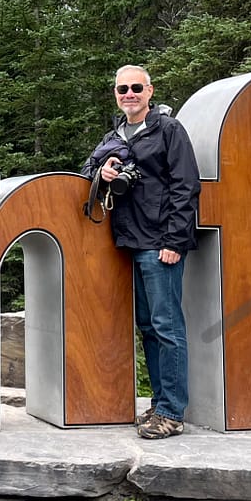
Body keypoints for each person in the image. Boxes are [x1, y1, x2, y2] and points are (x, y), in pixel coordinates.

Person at [82, 65, 201, 440]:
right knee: (149, 327)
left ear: (149, 91)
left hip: (160, 243)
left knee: (168, 327)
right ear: (115, 94)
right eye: (122, 89)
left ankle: (172, 412)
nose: (129, 94)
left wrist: (174, 241)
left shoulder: (168, 130)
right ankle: (159, 402)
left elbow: (186, 186)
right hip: (128, 242)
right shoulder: (113, 136)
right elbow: (86, 173)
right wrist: (105, 173)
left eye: (136, 87)